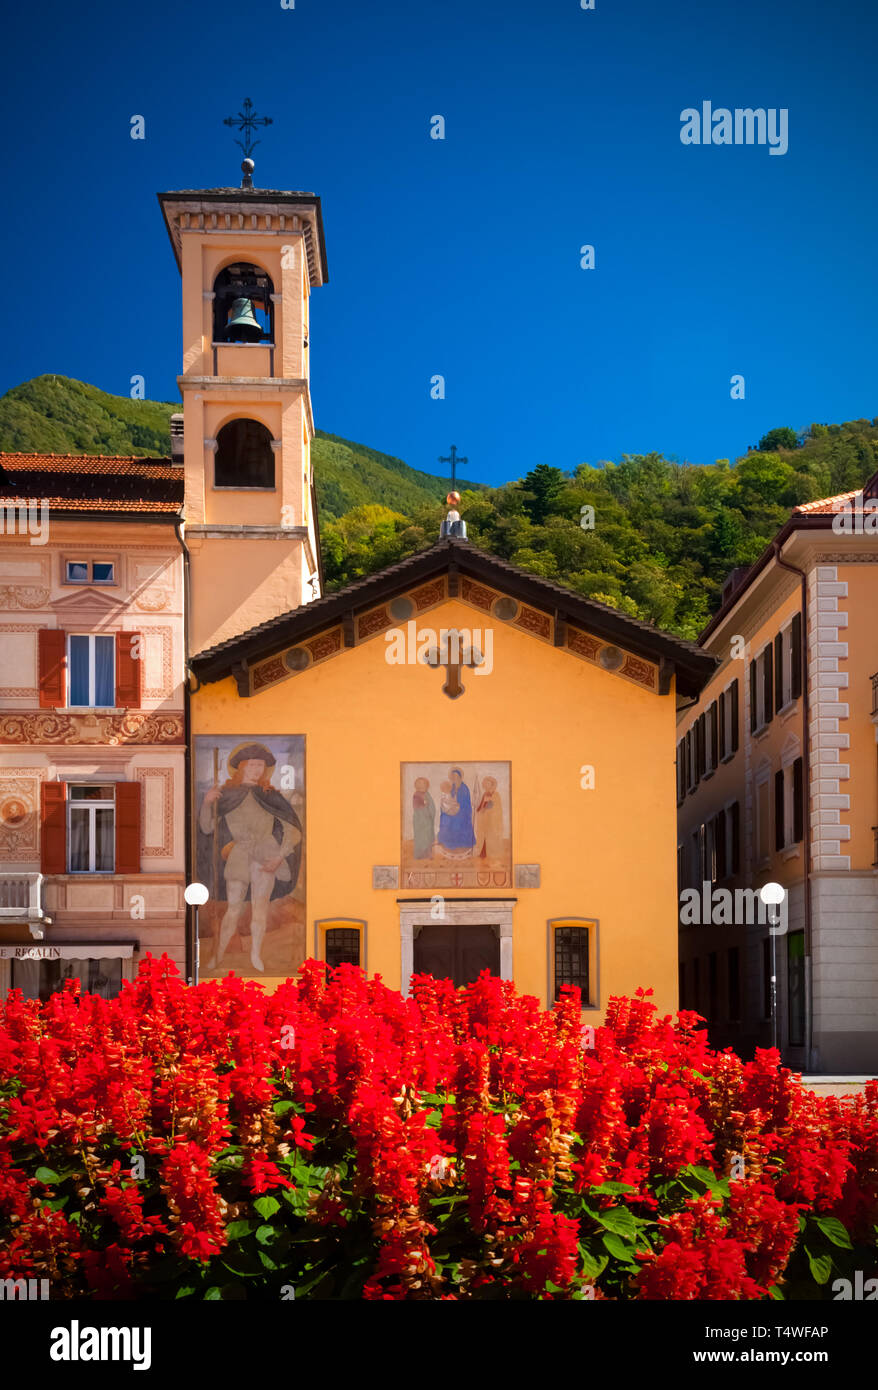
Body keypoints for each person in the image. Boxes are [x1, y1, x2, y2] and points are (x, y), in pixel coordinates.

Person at [198, 742, 302, 973]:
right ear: (242, 767)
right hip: (240, 854)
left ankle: (256, 955)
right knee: (233, 910)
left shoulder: (271, 796)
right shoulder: (226, 796)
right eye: (252, 765)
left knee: (260, 909)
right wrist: (207, 803)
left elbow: (293, 831)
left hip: (267, 855)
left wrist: (279, 857)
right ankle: (218, 956)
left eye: (261, 766)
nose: (257, 770)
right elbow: (206, 828)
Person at [437, 767, 475, 859]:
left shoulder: (464, 788)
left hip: (462, 811)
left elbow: (465, 803)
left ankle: (461, 844)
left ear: (460, 777)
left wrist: (457, 807)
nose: (454, 778)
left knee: (457, 820)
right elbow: (447, 797)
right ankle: (448, 842)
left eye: (456, 776)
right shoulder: (451, 786)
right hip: (452, 809)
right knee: (446, 817)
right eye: (453, 777)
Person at [474, 776, 503, 861]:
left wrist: (487, 804)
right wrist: (478, 808)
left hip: (492, 820)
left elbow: (493, 807)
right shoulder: (485, 794)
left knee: (489, 836)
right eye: (485, 783)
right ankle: (482, 853)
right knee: (483, 836)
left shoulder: (495, 795)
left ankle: (490, 853)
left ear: (492, 784)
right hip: (484, 819)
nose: (486, 785)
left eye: (488, 783)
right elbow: (481, 806)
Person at [411, 777, 436, 860]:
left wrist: (430, 813)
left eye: (425, 784)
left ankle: (428, 854)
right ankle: (420, 855)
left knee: (428, 838)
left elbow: (431, 805)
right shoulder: (416, 795)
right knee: (421, 838)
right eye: (421, 785)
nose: (423, 786)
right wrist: (425, 805)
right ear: (417, 786)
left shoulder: (427, 794)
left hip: (427, 821)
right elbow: (418, 807)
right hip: (420, 821)